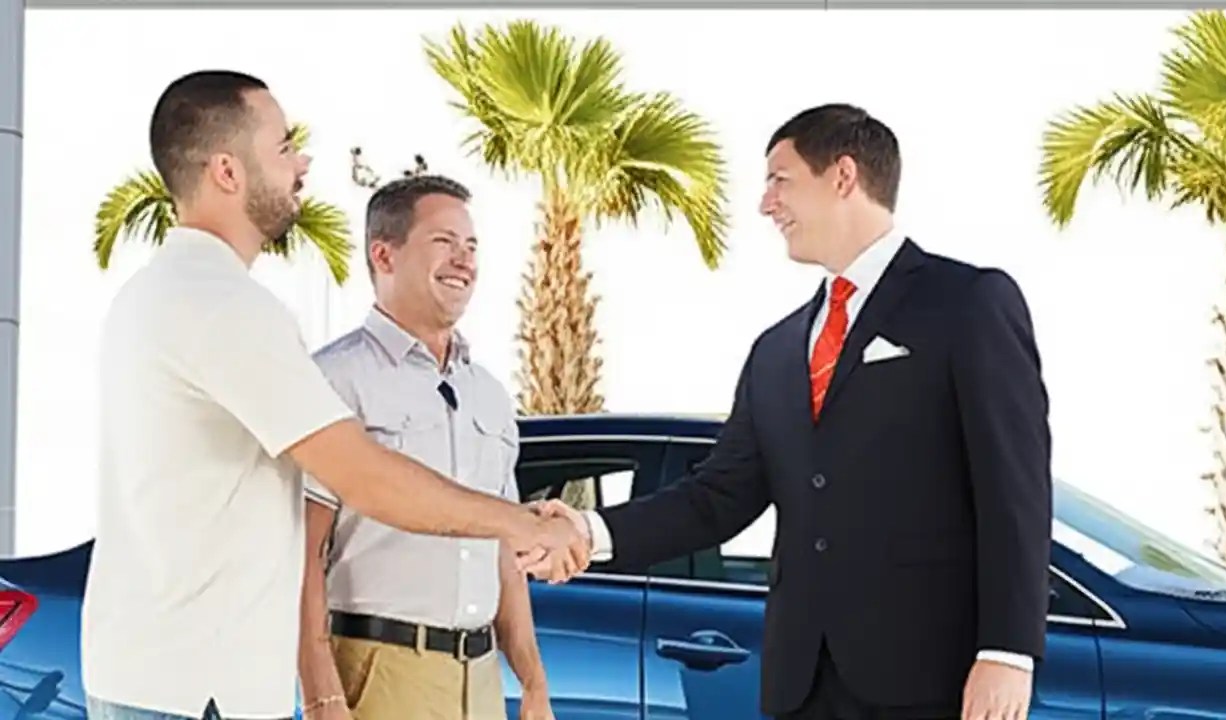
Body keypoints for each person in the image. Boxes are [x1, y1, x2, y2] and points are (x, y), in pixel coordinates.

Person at [80, 70, 585, 720]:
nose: (304, 163)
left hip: (159, 675)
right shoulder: (227, 307)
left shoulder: (154, 293)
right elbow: (366, 479)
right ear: (228, 172)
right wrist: (518, 522)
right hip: (202, 686)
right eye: (285, 147)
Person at [534, 103, 1052, 720]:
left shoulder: (968, 302)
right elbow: (717, 496)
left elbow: (1014, 488)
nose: (765, 204)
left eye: (780, 180)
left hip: (931, 680)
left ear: (842, 176)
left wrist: (1009, 651)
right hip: (800, 684)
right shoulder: (777, 350)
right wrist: (590, 533)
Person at [296, 175, 554, 720]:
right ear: (383, 255)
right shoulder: (333, 379)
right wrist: (322, 696)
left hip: (480, 678)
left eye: (471, 246)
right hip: (379, 673)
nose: (464, 260)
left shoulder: (488, 394)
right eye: (444, 242)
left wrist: (532, 681)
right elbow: (305, 555)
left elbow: (504, 550)